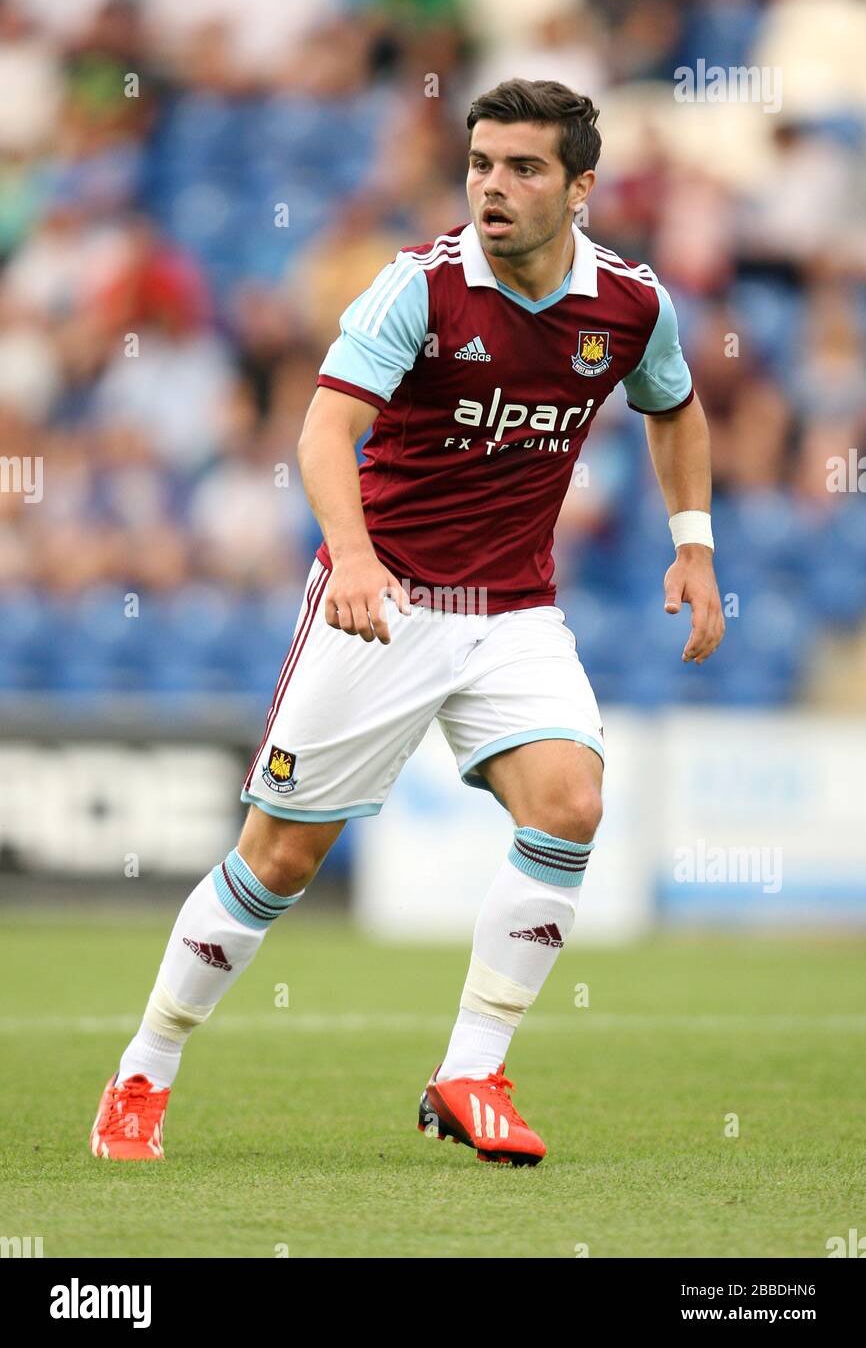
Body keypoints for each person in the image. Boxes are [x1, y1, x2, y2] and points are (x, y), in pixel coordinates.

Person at [90, 78, 724, 1166]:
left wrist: (694, 544)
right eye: (480, 163)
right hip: (381, 603)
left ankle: (471, 1069)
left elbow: (672, 404)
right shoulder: (418, 289)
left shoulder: (628, 304)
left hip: (514, 609)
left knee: (569, 804)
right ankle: (143, 1073)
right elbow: (324, 434)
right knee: (280, 861)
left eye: (522, 168)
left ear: (579, 186)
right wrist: (351, 556)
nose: (492, 186)